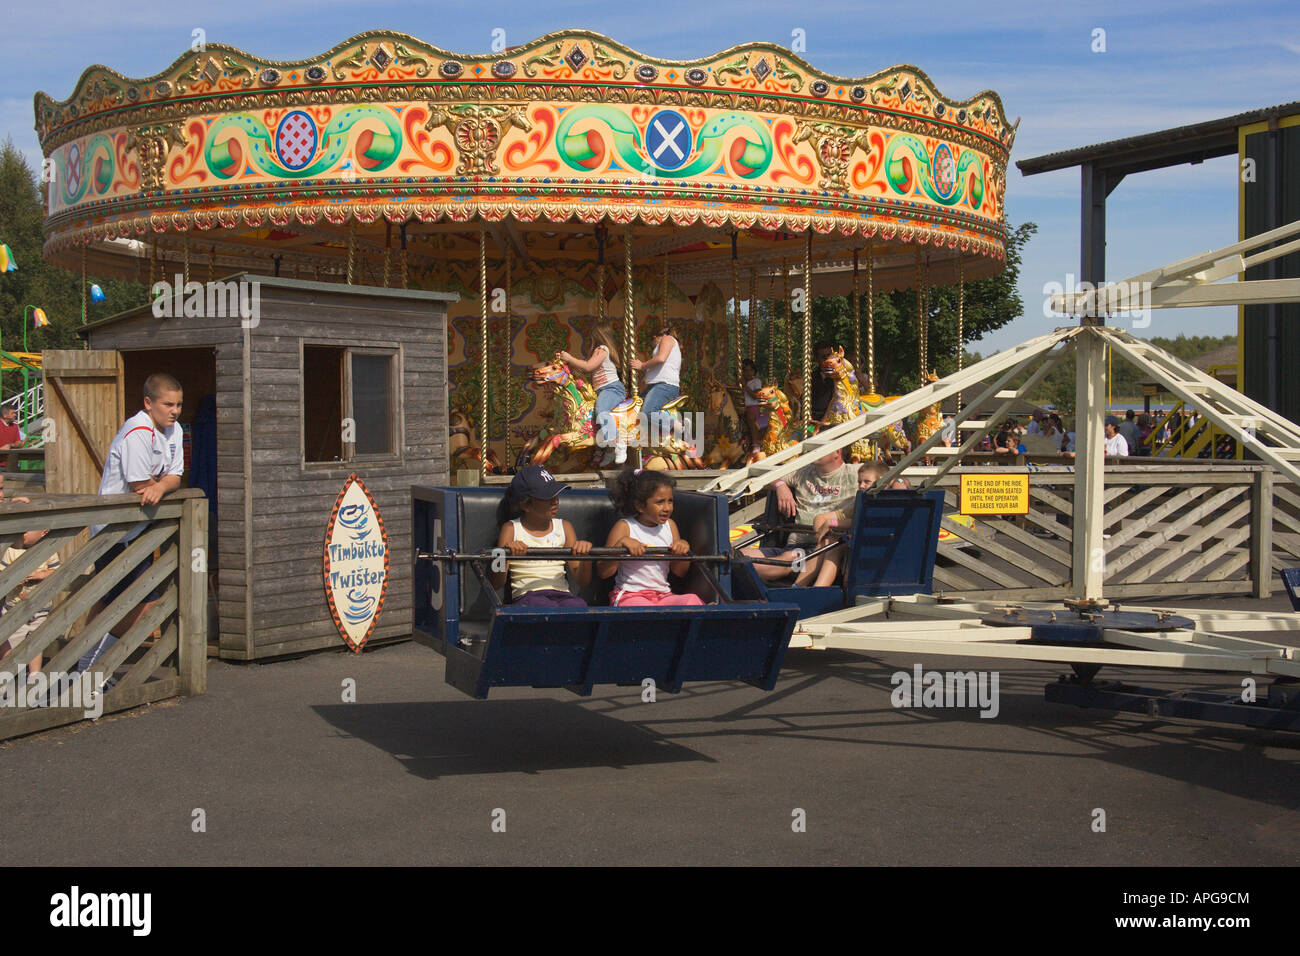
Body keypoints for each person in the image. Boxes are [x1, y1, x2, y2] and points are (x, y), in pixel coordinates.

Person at [76, 373, 185, 688]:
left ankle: (89, 668)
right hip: (114, 530)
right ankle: (90, 670)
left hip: (138, 530)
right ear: (149, 403)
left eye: (178, 404)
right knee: (124, 601)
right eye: (168, 404)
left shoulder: (174, 430)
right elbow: (139, 485)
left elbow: (174, 476)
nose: (174, 411)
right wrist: (159, 486)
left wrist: (163, 485)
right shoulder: (137, 431)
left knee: (136, 599)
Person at [741, 447, 858, 583]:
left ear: (837, 452)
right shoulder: (803, 472)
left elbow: (883, 475)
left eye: (819, 447)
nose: (812, 451)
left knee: (788, 558)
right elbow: (761, 472)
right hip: (795, 544)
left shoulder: (855, 473)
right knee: (738, 555)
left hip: (821, 548)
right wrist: (780, 485)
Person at [599, 468, 702, 607]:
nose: (667, 508)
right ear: (640, 506)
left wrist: (682, 551)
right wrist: (620, 546)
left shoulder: (670, 526)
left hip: (663, 595)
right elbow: (604, 572)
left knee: (692, 600)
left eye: (670, 501)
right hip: (630, 595)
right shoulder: (625, 527)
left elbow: (680, 572)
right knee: (645, 610)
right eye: (659, 502)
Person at [491, 466, 592, 608]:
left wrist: (585, 557)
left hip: (562, 595)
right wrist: (505, 554)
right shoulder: (511, 529)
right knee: (541, 604)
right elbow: (495, 582)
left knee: (579, 605)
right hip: (528, 597)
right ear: (525, 505)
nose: (555, 501)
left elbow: (582, 581)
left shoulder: (565, 527)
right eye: (547, 497)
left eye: (556, 495)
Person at [0, 497, 57, 684]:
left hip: (39, 606)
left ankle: (34, 676)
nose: (23, 533)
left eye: (28, 529)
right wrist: (12, 581)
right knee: (8, 640)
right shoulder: (10, 550)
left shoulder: (49, 550)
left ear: (44, 532)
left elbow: (59, 571)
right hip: (14, 606)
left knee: (36, 641)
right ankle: (8, 673)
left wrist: (40, 574)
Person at [558, 323, 627, 465]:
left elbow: (588, 366)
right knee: (592, 417)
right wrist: (567, 361)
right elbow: (584, 367)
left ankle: (619, 443)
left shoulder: (602, 349)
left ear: (597, 336)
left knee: (602, 411)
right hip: (602, 390)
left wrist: (570, 358)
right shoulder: (598, 351)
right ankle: (606, 450)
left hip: (612, 389)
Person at [630, 325, 682, 441]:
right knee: (634, 409)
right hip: (657, 385)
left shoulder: (667, 339)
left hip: (665, 385)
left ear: (655, 337)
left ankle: (674, 425)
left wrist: (642, 365)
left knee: (648, 412)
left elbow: (661, 358)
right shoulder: (667, 342)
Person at [809, 342, 836, 423]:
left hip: (833, 418)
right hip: (814, 418)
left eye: (830, 356)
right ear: (816, 359)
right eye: (824, 357)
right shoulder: (811, 378)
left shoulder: (838, 377)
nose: (828, 360)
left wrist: (823, 421)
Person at [741, 359, 764, 449]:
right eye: (745, 370)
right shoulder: (741, 382)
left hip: (752, 406)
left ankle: (756, 442)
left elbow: (756, 396)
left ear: (754, 371)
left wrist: (745, 386)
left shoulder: (756, 381)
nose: (748, 372)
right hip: (742, 407)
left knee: (751, 418)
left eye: (750, 370)